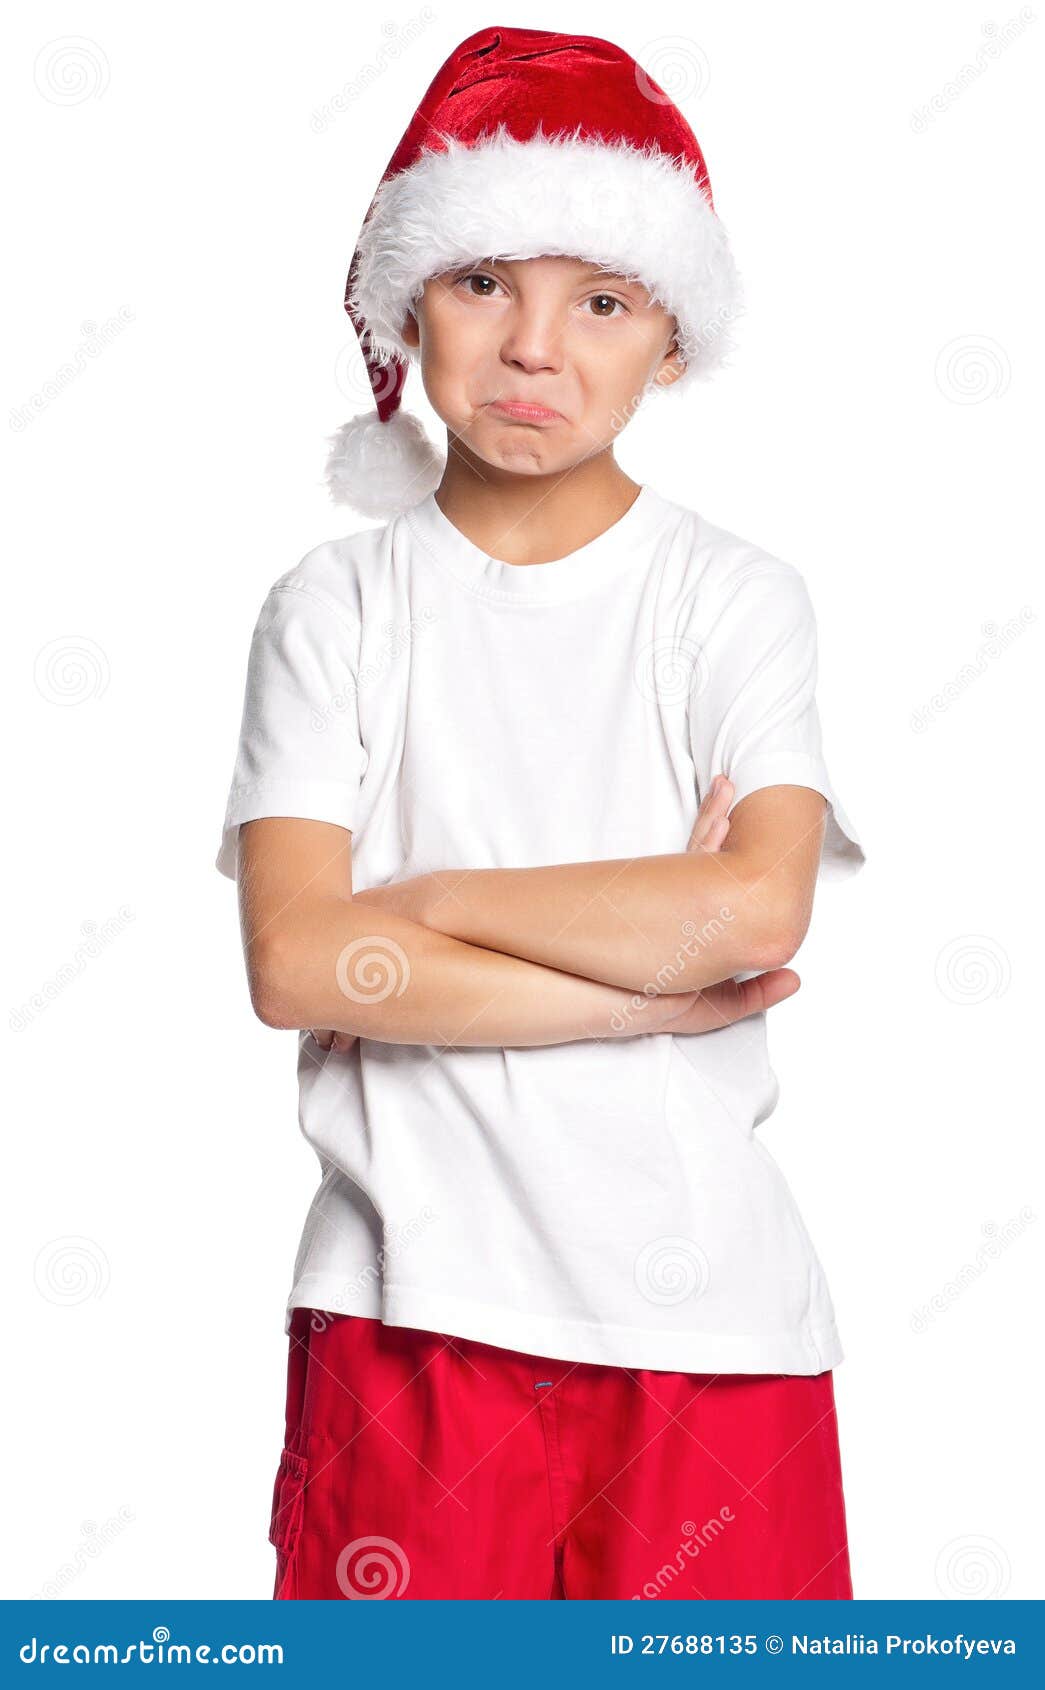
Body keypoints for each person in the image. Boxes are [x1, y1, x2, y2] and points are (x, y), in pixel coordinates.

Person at [216, 25, 868, 1601]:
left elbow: (750, 915)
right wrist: (642, 978)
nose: (533, 347)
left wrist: (423, 903)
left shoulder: (732, 600)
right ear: (403, 302)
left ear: (672, 342)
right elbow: (300, 966)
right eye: (482, 281)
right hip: (407, 1323)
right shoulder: (336, 607)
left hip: (712, 1328)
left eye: (602, 299)